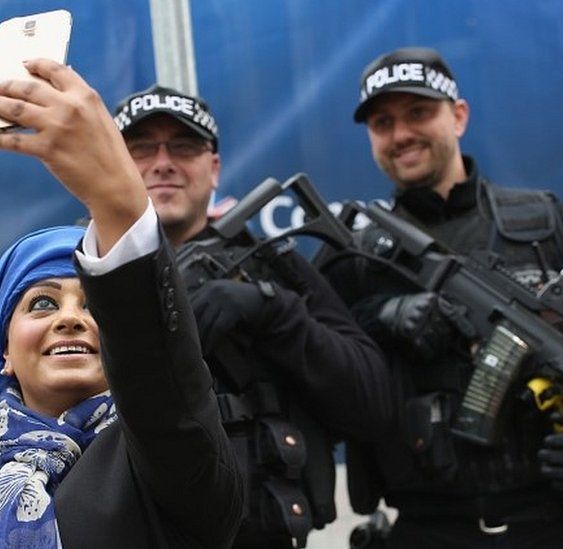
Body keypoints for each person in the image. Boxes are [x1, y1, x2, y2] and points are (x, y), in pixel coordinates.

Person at [323, 47, 563, 548]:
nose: (401, 134)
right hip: (427, 530)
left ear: (458, 116)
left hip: (560, 525)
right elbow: (307, 354)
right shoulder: (358, 254)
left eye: (418, 113)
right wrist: (380, 315)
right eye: (382, 123)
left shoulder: (545, 226)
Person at [0, 59, 245, 549]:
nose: (70, 318)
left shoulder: (165, 459)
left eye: (93, 304)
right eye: (42, 304)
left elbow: (157, 369)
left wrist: (116, 200)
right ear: (3, 348)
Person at [109, 84, 395, 548]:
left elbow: (373, 404)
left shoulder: (268, 264)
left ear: (215, 167)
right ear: (116, 164)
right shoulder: (78, 271)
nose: (162, 162)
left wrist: (273, 312)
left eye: (183, 146)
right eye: (141, 148)